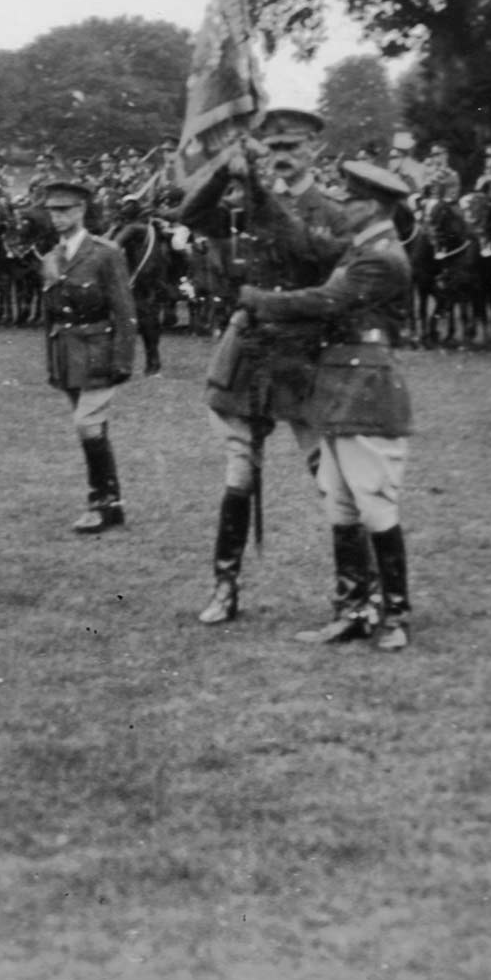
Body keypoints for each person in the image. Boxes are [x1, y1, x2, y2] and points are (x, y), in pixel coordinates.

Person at [237, 161, 416, 651]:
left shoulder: (382, 257)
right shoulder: (361, 249)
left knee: (374, 502)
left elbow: (327, 300)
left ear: (372, 205)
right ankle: (353, 610)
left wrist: (260, 301)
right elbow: (303, 242)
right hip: (341, 384)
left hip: (367, 388)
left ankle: (394, 614)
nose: (341, 203)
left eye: (350, 198)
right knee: (340, 501)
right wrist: (256, 185)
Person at [179, 108, 349, 624]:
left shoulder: (333, 213)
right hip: (250, 350)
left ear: (314, 151)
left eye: (292, 147)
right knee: (239, 471)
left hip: (303, 353)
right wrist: (221, 171)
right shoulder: (246, 203)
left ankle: (352, 591)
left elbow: (311, 256)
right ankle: (225, 586)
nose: (282, 156)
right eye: (272, 147)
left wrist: (258, 189)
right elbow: (192, 216)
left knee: (330, 475)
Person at [39, 179, 137, 534]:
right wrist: (52, 362)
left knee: (87, 424)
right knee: (91, 429)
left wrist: (123, 360)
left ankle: (100, 502)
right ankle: (113, 503)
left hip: (98, 350)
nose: (57, 217)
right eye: (52, 211)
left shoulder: (105, 253)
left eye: (64, 210)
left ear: (81, 210)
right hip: (67, 353)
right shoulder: (51, 258)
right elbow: (50, 317)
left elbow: (124, 310)